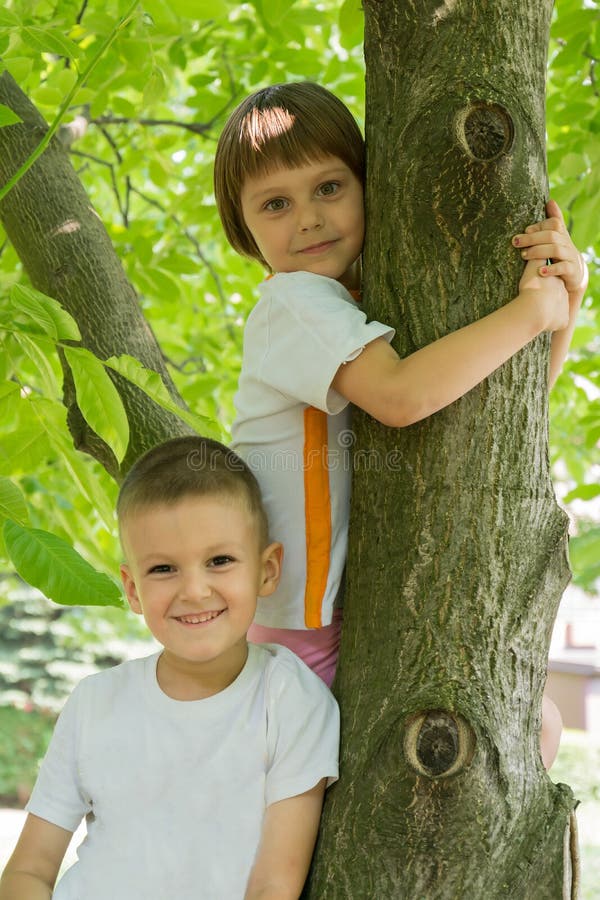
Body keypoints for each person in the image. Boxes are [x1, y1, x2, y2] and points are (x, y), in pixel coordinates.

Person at [214, 82, 587, 769]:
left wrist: (565, 301)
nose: (308, 219)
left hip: (346, 613)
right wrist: (532, 313)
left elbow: (496, 414)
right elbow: (402, 397)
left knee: (532, 725)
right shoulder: (294, 304)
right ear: (243, 230)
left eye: (329, 188)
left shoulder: (357, 305)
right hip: (295, 628)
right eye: (275, 204)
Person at [0, 436, 339, 900]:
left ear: (267, 569)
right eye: (163, 569)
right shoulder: (95, 702)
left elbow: (274, 887)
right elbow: (28, 872)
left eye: (220, 561)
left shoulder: (290, 700)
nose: (194, 591)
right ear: (132, 589)